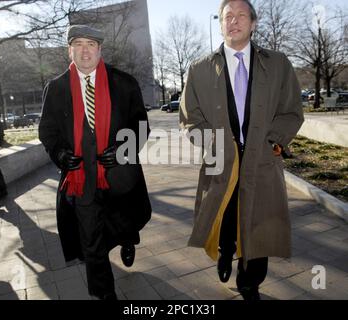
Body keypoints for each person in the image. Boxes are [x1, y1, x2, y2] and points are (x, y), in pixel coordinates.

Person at [179, 0, 304, 301]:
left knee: (259, 226)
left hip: (261, 164)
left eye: (241, 15)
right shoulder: (199, 69)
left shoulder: (278, 64)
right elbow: (189, 118)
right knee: (225, 218)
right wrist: (212, 143)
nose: (233, 21)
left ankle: (250, 284)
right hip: (223, 163)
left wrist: (274, 142)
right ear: (220, 23)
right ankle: (225, 252)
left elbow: (291, 112)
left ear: (253, 22)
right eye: (227, 16)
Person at [39, 25, 152, 300]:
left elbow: (141, 126)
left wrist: (125, 150)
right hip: (81, 181)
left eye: (90, 44)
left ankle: (127, 239)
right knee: (91, 242)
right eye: (78, 44)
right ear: (70, 50)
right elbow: (48, 131)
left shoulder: (123, 83)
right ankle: (105, 294)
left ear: (100, 49)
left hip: (119, 177)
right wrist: (60, 155)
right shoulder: (55, 88)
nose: (85, 50)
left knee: (123, 223)